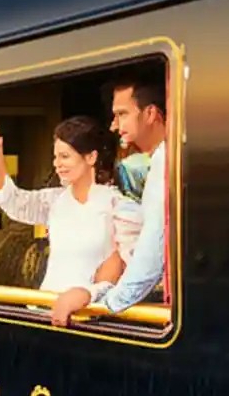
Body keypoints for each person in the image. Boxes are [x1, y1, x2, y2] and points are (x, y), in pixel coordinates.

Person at [47, 74, 168, 326]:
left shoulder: (162, 163)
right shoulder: (160, 160)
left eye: (122, 114)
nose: (114, 125)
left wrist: (99, 304)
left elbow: (150, 256)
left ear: (150, 114)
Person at [0, 116, 120, 308]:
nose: (57, 164)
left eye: (65, 156)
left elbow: (122, 263)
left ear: (91, 157)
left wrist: (90, 295)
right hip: (45, 308)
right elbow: (8, 198)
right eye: (55, 157)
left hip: (89, 314)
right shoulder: (55, 200)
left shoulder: (117, 205)